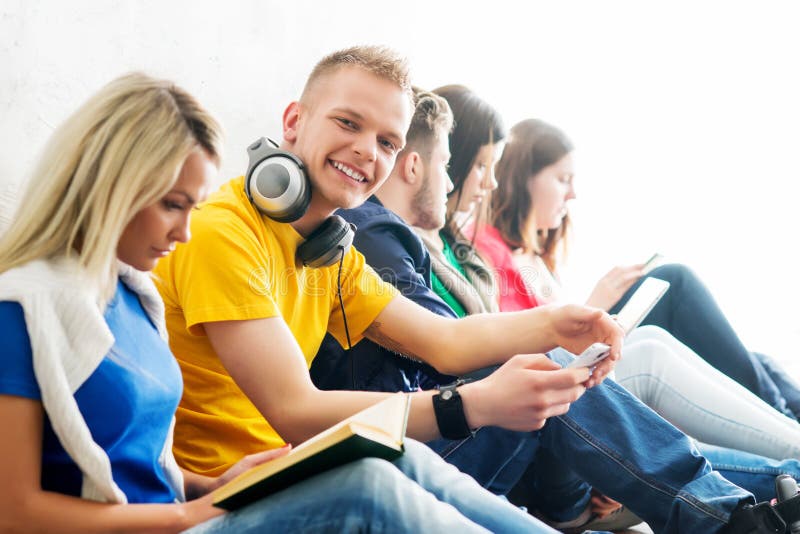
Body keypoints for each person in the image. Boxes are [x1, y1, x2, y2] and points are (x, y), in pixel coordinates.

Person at [0, 72, 564, 534]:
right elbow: (12, 512)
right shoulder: (23, 310)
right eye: (173, 204)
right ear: (110, 183)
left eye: (388, 142)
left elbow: (144, 460)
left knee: (395, 457)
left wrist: (559, 324)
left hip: (203, 502)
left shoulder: (132, 295)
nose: (185, 231)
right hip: (171, 524)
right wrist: (188, 513)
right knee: (369, 486)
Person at [306, 81, 800, 533]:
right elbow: (448, 349)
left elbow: (446, 341)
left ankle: (767, 490)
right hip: (429, 438)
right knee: (573, 360)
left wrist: (555, 324)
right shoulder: (372, 233)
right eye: (452, 165)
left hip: (458, 432)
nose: (459, 183)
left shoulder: (375, 243)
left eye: (386, 143)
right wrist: (557, 325)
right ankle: (748, 502)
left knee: (588, 363)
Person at [471, 118, 800, 461]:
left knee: (758, 361)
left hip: (583, 360)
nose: (573, 193)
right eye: (562, 179)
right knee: (674, 282)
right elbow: (530, 347)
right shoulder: (492, 253)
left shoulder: (537, 257)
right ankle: (786, 423)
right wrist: (594, 306)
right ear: (523, 179)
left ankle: (788, 421)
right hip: (566, 380)